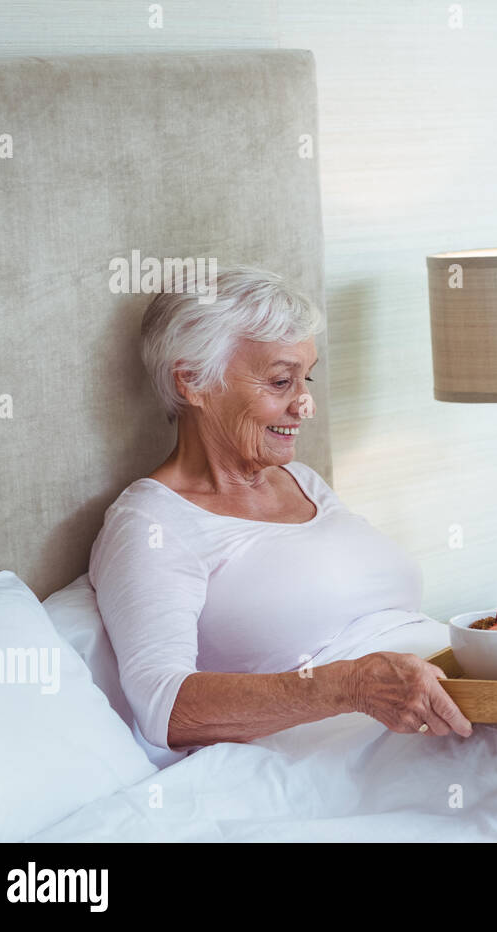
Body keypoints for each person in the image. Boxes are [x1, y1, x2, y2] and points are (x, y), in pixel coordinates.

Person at [90, 266, 471, 760]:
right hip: (351, 751)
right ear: (193, 383)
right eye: (280, 381)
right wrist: (352, 686)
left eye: (305, 378)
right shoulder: (151, 525)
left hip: (448, 711)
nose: (305, 404)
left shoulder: (301, 480)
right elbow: (166, 707)